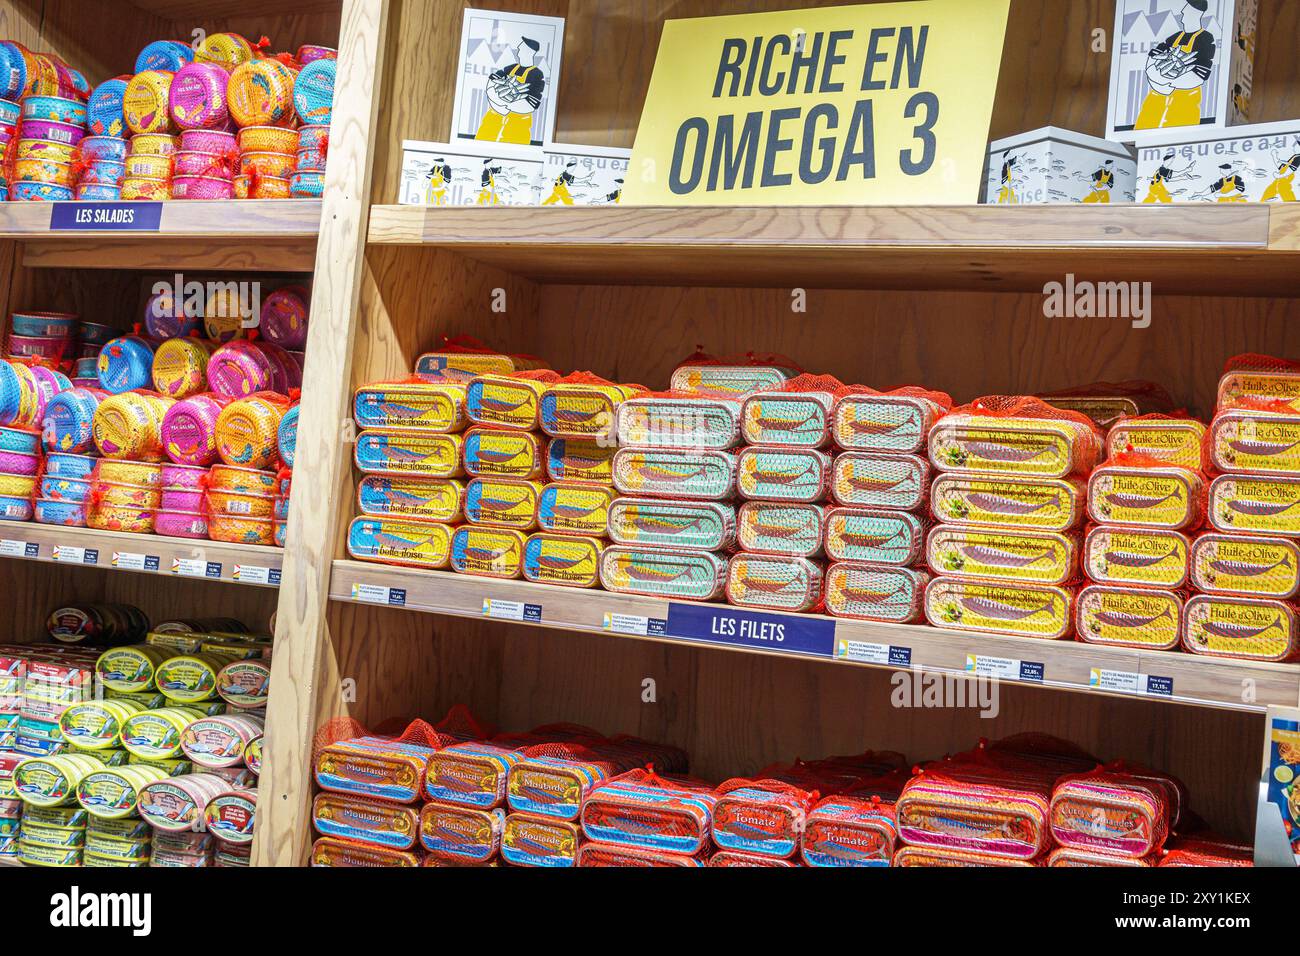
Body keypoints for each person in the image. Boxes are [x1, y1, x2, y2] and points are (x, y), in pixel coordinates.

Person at [1134, 0, 1215, 130]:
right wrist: (1156, 78)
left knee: (1181, 134)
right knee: (1143, 127)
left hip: (1185, 100)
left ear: (1196, 13)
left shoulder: (1205, 39)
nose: (1182, 13)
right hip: (1157, 96)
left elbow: (1201, 74)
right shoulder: (1174, 37)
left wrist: (1170, 83)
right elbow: (1153, 56)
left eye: (1186, 10)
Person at [475, 37, 546, 145]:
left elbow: (532, 104)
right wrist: (497, 101)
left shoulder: (537, 74)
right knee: (481, 143)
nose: (518, 48)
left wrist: (505, 105)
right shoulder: (510, 68)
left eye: (521, 47)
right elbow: (492, 81)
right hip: (494, 117)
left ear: (530, 52)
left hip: (518, 124)